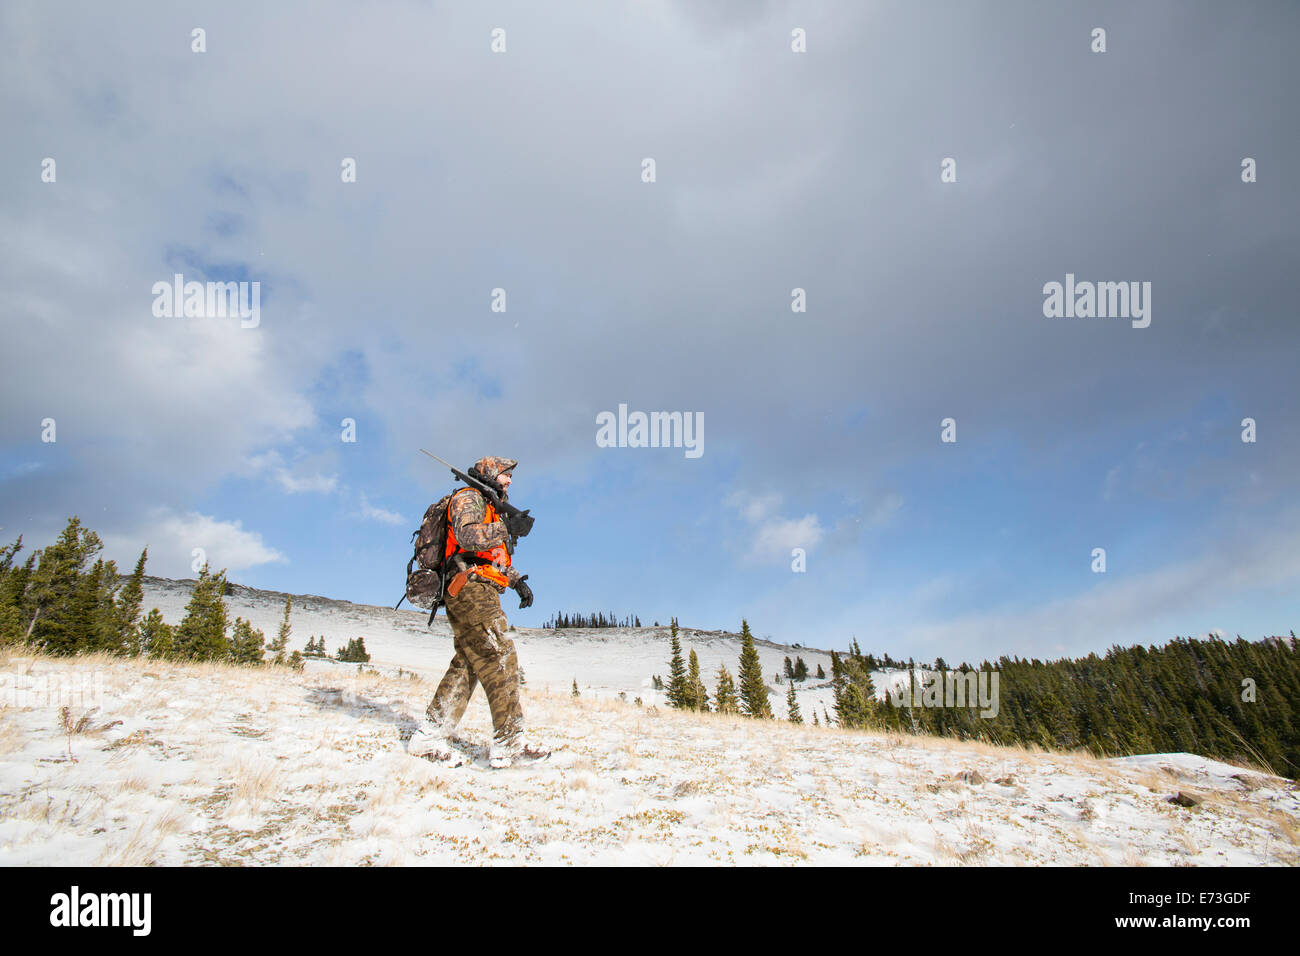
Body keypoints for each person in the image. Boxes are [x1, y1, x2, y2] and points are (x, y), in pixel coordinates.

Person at [407, 455, 547, 768]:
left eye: (511, 476)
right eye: (505, 474)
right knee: (499, 654)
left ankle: (428, 736)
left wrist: (517, 582)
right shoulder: (468, 497)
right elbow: (468, 536)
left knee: (470, 663)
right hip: (468, 585)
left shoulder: (491, 507)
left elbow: (491, 559)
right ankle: (509, 742)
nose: (510, 481)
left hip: (480, 583)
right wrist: (506, 526)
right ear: (489, 472)